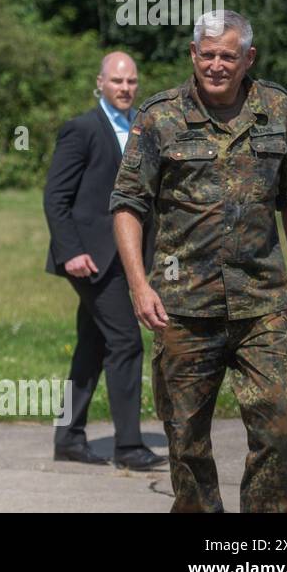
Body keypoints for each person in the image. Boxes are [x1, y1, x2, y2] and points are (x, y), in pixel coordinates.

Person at [111, 9, 287, 513]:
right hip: (183, 306)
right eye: (207, 54)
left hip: (263, 301)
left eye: (228, 55)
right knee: (186, 440)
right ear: (192, 55)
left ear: (249, 58)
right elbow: (128, 204)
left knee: (279, 428)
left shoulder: (277, 108)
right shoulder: (160, 116)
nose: (216, 65)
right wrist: (139, 285)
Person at [43, 52, 166, 470]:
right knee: (126, 343)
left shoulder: (140, 129)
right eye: (117, 81)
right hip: (90, 258)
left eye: (131, 81)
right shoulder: (81, 130)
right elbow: (55, 198)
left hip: (125, 256)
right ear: (101, 83)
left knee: (92, 347)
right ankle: (129, 446)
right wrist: (70, 251)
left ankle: (69, 436)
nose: (126, 88)